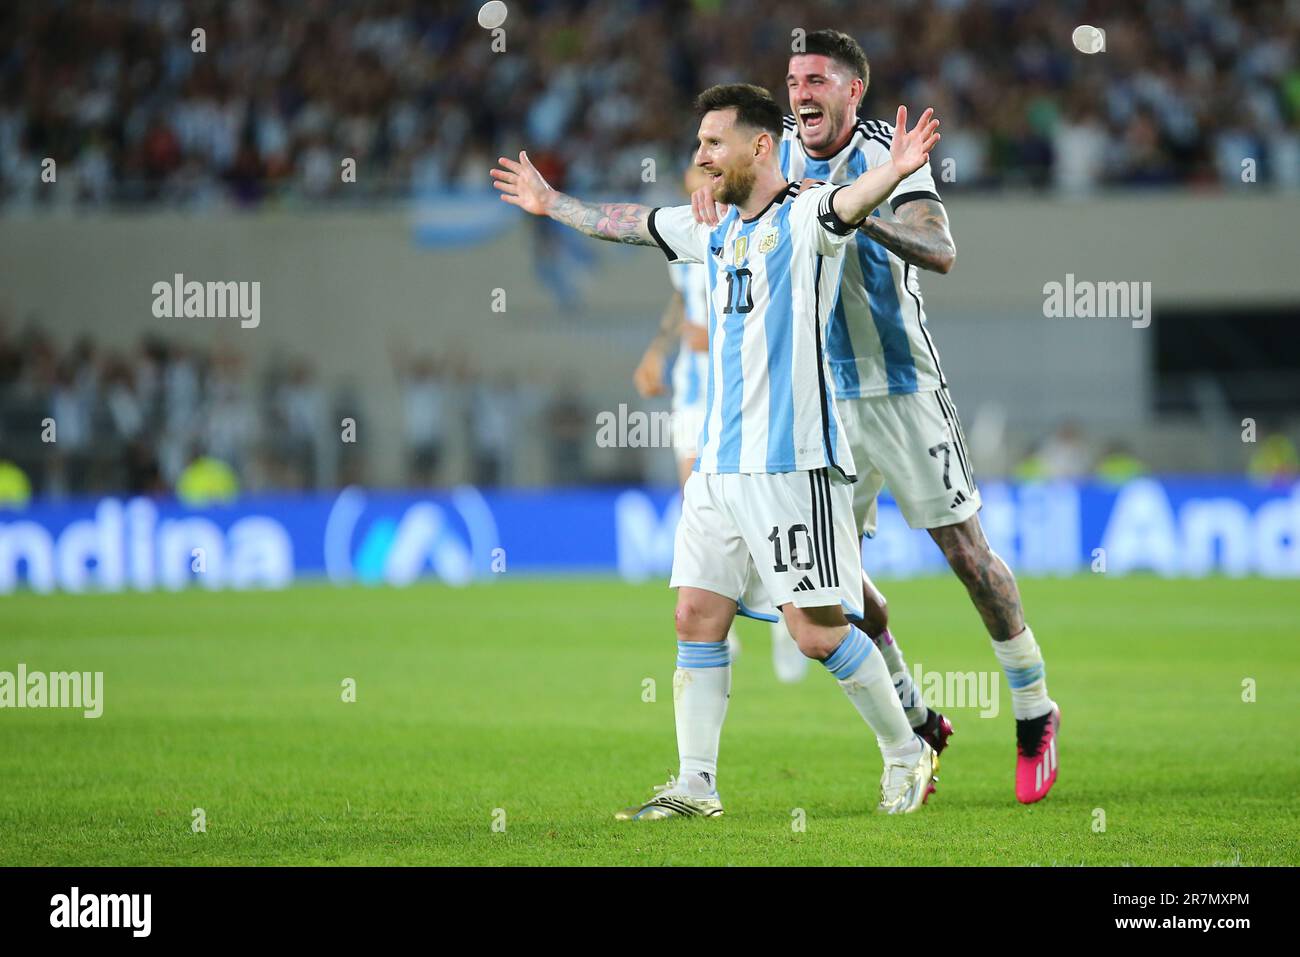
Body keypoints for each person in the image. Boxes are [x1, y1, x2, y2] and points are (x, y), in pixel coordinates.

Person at [493, 82, 943, 817]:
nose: (699, 156)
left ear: (759, 147)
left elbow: (849, 202)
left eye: (712, 143)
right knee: (696, 615)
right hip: (718, 468)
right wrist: (553, 204)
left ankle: (906, 752)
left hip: (793, 467)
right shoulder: (713, 228)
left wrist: (894, 171)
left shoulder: (804, 218)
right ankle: (696, 782)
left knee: (816, 632)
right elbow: (628, 223)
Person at [689, 31, 1059, 803]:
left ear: (853, 91)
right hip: (821, 398)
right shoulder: (773, 154)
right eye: (793, 80)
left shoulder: (890, 152)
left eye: (817, 80)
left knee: (967, 553)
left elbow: (940, 246)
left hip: (902, 385)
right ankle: (918, 717)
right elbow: (723, 200)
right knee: (839, 585)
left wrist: (853, 214)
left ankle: (1032, 706)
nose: (801, 93)